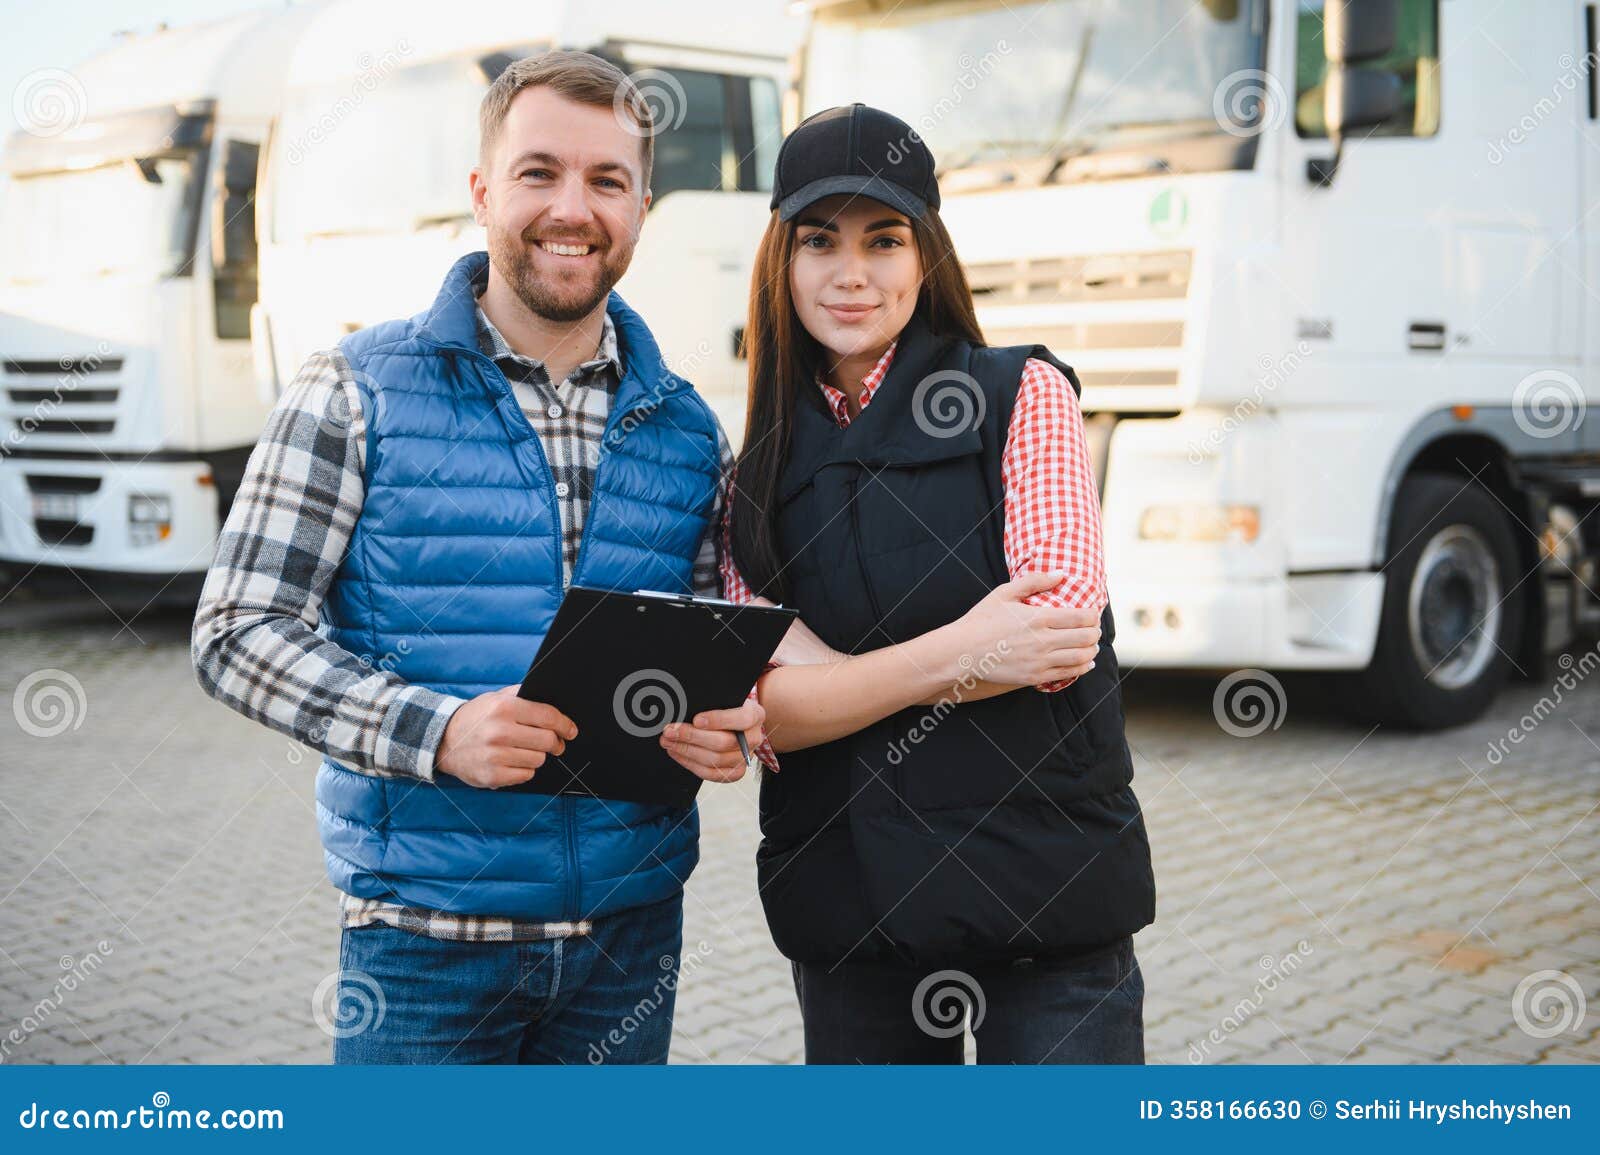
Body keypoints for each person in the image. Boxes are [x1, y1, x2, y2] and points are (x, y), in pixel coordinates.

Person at [191, 51, 764, 1064]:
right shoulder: (352, 391)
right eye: (539, 172)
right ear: (482, 191)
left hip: (627, 945)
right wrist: (436, 729)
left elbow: (707, 653)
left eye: (607, 180)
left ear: (642, 206)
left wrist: (719, 729)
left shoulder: (686, 429)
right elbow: (237, 632)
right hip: (424, 951)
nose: (571, 208)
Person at [720, 104, 1157, 1064]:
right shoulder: (754, 472)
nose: (851, 273)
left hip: (1049, 902)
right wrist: (959, 653)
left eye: (885, 239)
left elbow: (1052, 644)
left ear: (927, 257)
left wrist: (838, 681)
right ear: (780, 262)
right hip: (854, 914)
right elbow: (768, 715)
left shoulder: (1023, 395)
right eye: (818, 241)